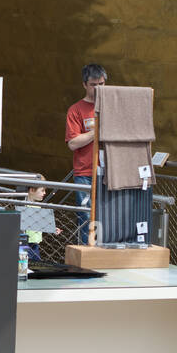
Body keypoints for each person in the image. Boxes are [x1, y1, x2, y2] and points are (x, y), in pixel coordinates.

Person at [66, 63, 106, 244]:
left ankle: (105, 255)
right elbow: (73, 143)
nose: (98, 89)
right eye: (94, 85)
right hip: (85, 173)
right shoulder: (76, 110)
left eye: (102, 84)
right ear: (84, 84)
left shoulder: (110, 106)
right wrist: (95, 132)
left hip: (108, 173)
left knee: (107, 217)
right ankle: (87, 255)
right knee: (86, 218)